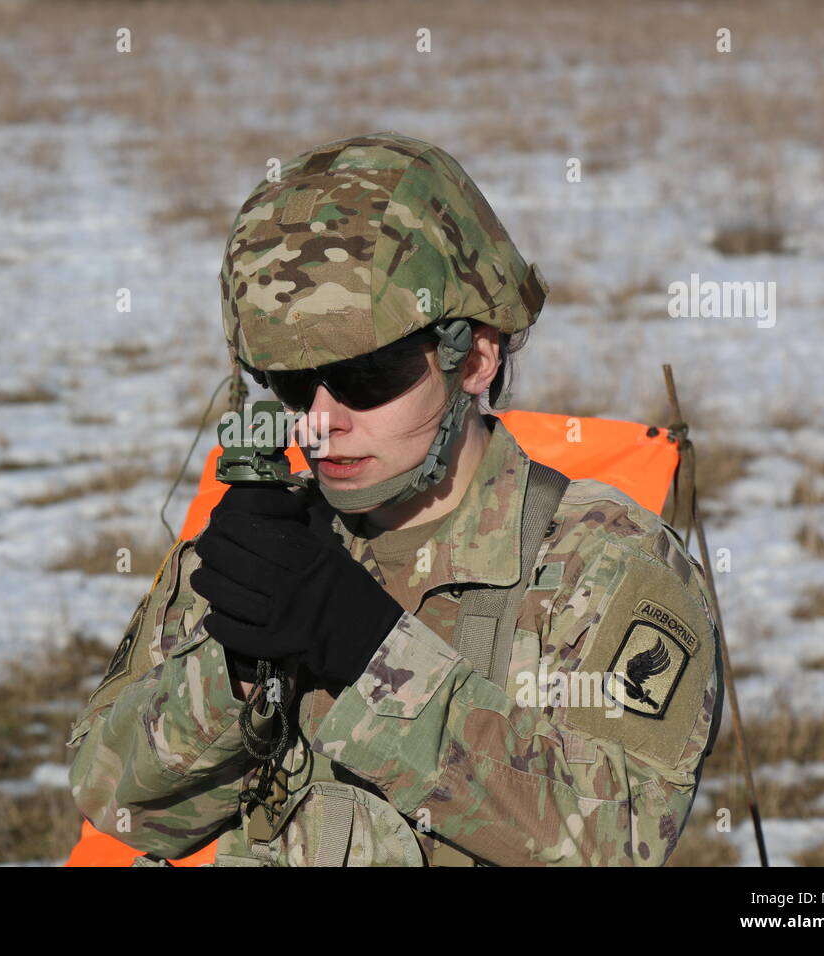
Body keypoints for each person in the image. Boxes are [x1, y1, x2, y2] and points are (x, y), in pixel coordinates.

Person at [66, 132, 724, 866]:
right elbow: (118, 805)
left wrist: (366, 650)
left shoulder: (601, 563)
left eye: (365, 378)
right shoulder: (267, 548)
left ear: (475, 356)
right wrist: (235, 669)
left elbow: (618, 838)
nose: (321, 419)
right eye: (290, 382)